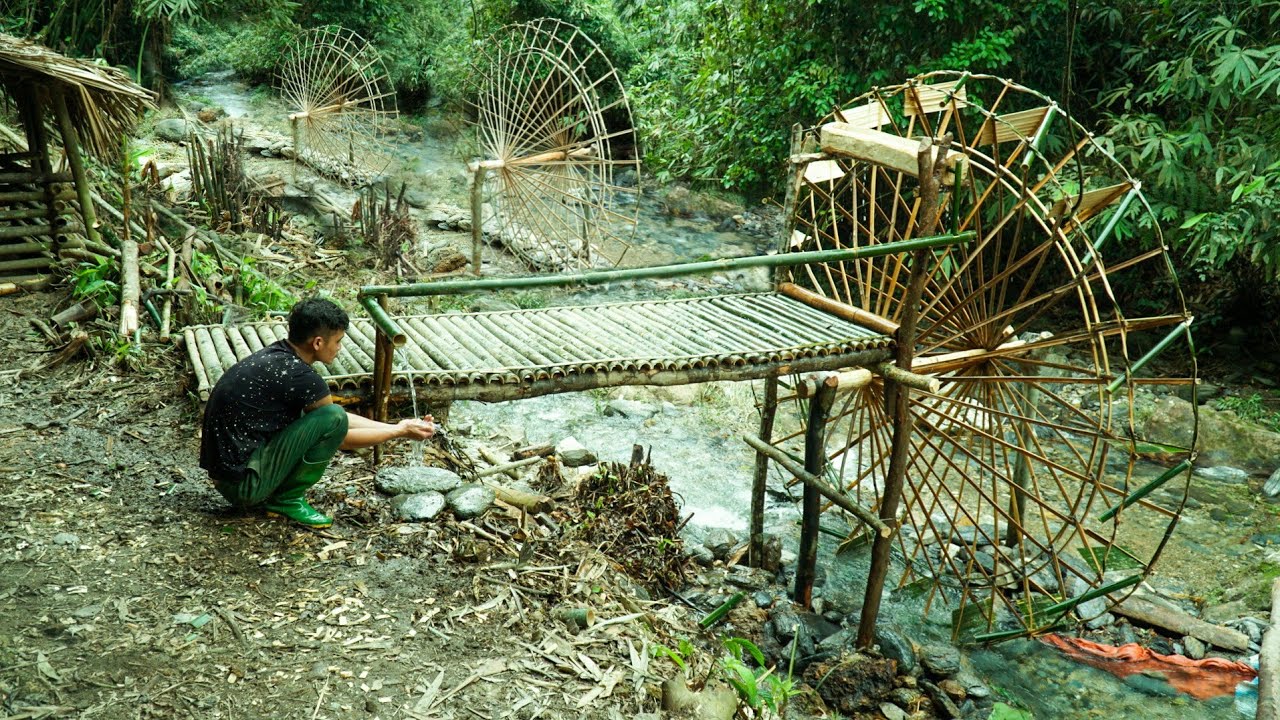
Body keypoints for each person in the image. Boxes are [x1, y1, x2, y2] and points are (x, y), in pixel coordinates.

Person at [200, 297, 434, 528]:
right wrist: (398, 432)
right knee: (331, 417)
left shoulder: (277, 357)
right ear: (318, 343)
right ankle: (286, 500)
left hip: (228, 476)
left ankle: (279, 495)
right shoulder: (302, 378)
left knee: (324, 416)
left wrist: (398, 426)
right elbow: (338, 430)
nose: (340, 349)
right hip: (243, 486)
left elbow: (335, 418)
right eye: (338, 341)